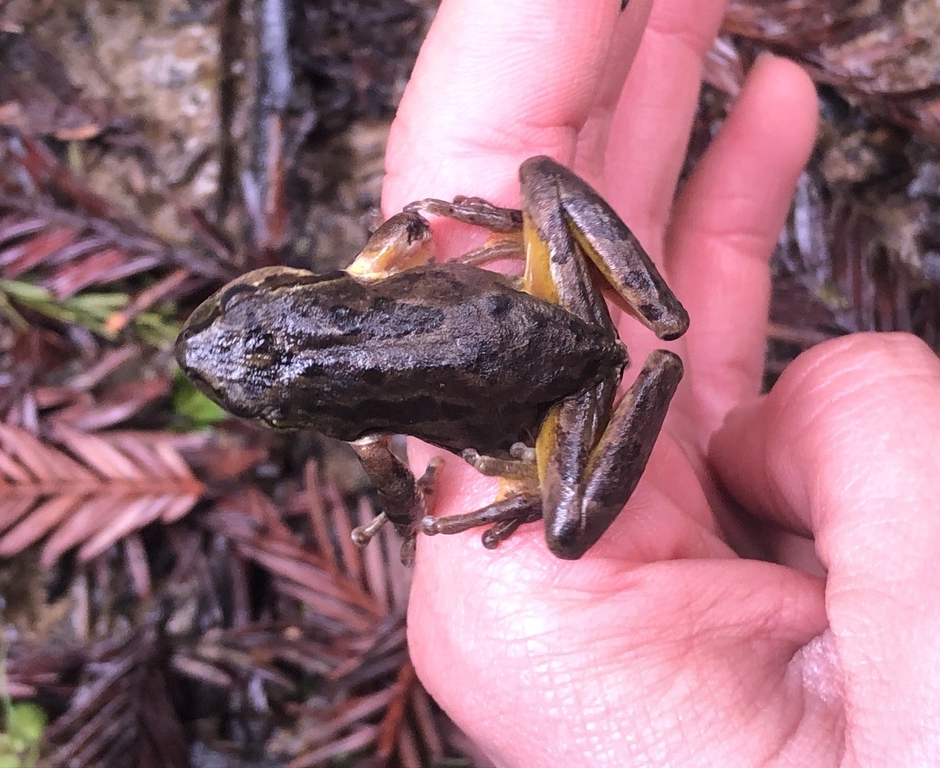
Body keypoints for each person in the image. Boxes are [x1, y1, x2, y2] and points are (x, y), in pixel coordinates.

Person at [381, 0, 940, 765]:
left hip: (561, 381)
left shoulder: (368, 435)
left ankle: (547, 460)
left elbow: (397, 481)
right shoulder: (367, 277)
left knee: (565, 526)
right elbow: (409, 238)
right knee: (543, 176)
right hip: (558, 317)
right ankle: (545, 257)